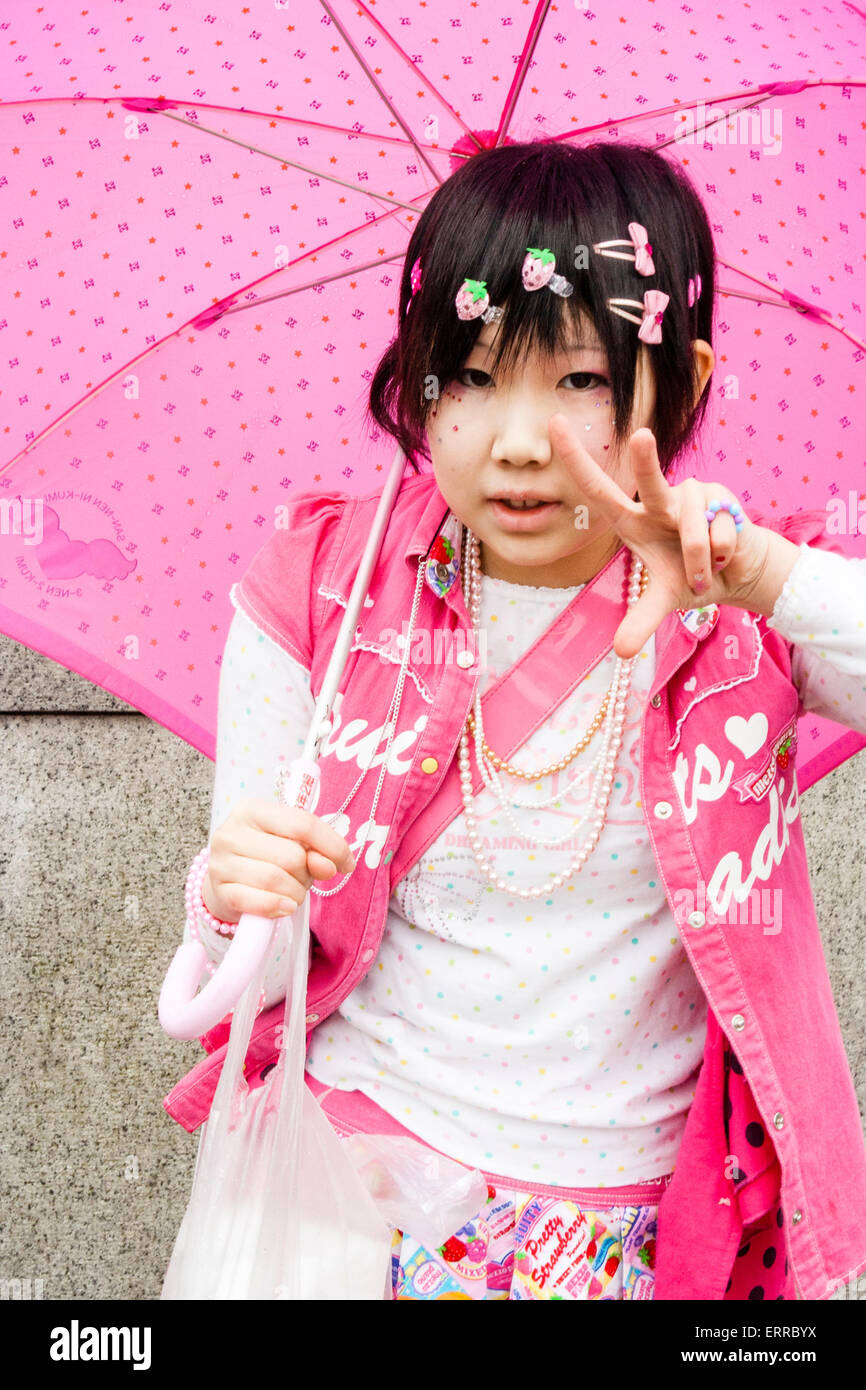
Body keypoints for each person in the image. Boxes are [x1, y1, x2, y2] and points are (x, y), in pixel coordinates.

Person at [164, 140, 866, 1300]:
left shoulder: (747, 608)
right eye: (472, 376)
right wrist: (228, 894)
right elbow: (264, 955)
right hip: (351, 1201)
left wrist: (762, 575)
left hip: (628, 1238)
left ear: (678, 380)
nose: (520, 440)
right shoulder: (323, 583)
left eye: (579, 379)